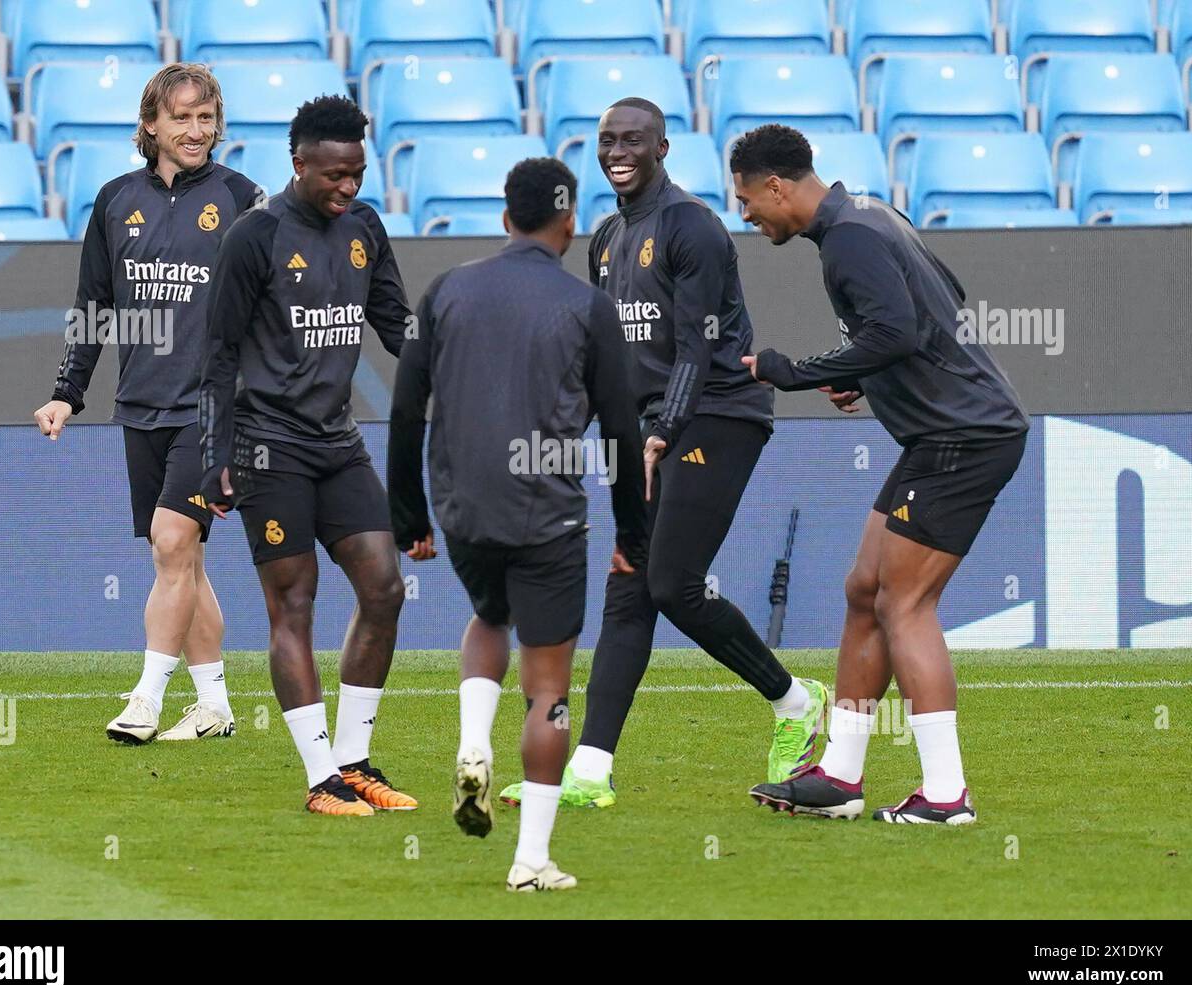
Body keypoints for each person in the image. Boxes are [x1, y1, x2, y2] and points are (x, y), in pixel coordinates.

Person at [500, 99, 826, 810]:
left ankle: (796, 702)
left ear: (663, 148)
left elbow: (698, 344)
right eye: (607, 140)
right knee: (628, 590)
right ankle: (589, 769)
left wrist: (662, 429)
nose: (618, 151)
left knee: (671, 582)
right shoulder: (609, 237)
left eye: (633, 140)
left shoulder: (693, 228)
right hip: (650, 428)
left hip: (719, 414)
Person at [732, 124, 1029, 824]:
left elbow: (896, 331)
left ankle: (945, 794)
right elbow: (933, 304)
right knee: (865, 588)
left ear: (778, 186)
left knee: (904, 604)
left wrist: (799, 372)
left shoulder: (849, 239)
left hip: (965, 436)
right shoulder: (872, 213)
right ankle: (840, 775)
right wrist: (862, 372)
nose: (745, 214)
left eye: (747, 199)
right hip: (940, 434)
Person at [388, 157, 647, 889]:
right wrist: (634, 534)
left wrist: (409, 514)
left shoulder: (445, 291)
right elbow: (622, 432)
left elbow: (407, 411)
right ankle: (531, 859)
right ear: (569, 223)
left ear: (506, 218)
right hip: (549, 518)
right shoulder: (588, 305)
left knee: (487, 613)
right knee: (550, 685)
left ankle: (474, 742)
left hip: (463, 508)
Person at [198, 95, 416, 816]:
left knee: (383, 589)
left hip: (338, 441)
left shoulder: (365, 228)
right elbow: (219, 349)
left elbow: (397, 327)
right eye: (334, 175)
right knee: (295, 604)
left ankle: (353, 762)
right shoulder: (254, 236)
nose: (348, 187)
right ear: (299, 164)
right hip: (269, 447)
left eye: (357, 173)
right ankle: (320, 776)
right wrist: (215, 452)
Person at [33, 63, 262, 744]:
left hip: (215, 409)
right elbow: (94, 306)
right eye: (182, 117)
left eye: (206, 116)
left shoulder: (245, 198)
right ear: (151, 125)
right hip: (141, 404)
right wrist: (65, 392)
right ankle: (216, 705)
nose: (196, 130)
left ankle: (146, 696)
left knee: (171, 541)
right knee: (181, 559)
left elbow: (272, 304)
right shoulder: (113, 201)